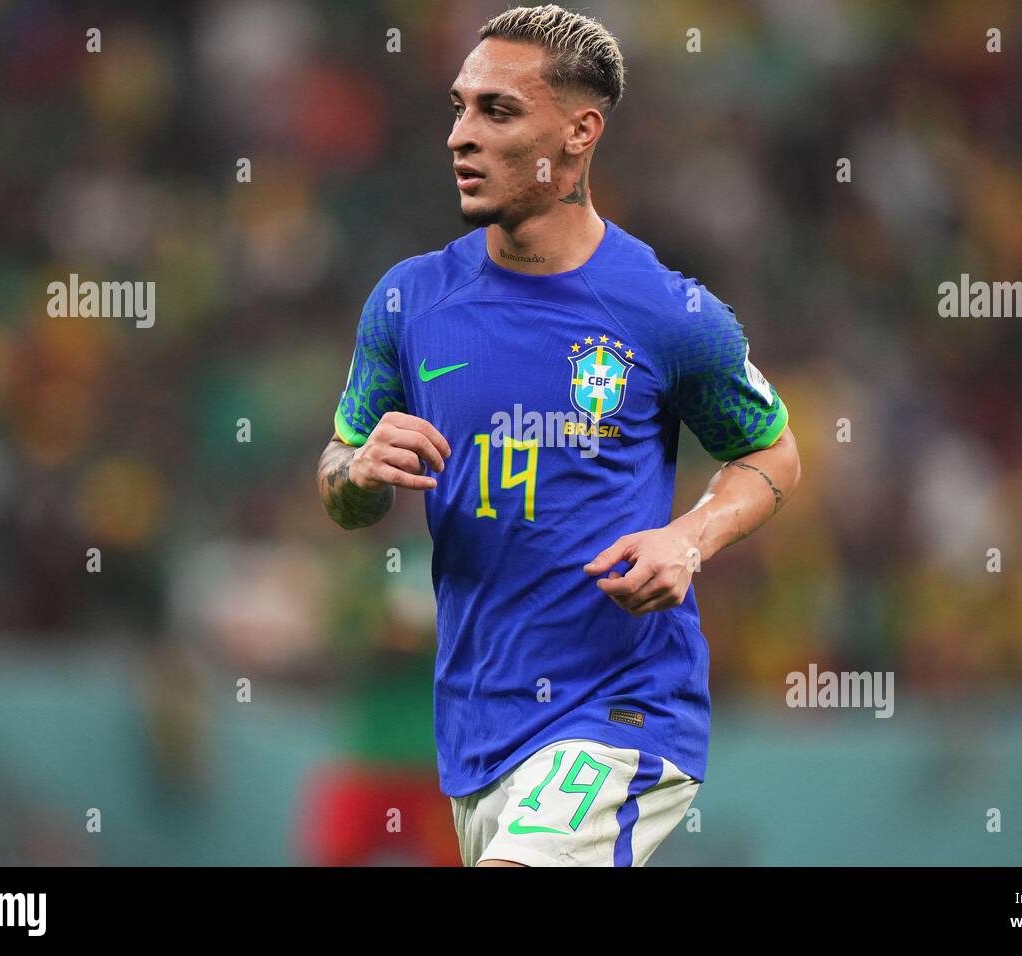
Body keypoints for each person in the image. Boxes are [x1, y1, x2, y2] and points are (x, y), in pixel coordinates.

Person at [317, 4, 801, 867]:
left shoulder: (669, 312)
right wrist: (357, 471)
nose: (461, 136)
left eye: (497, 112)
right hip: (476, 727)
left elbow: (772, 453)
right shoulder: (408, 302)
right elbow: (339, 488)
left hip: (620, 710)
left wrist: (689, 538)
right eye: (459, 108)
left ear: (579, 133)